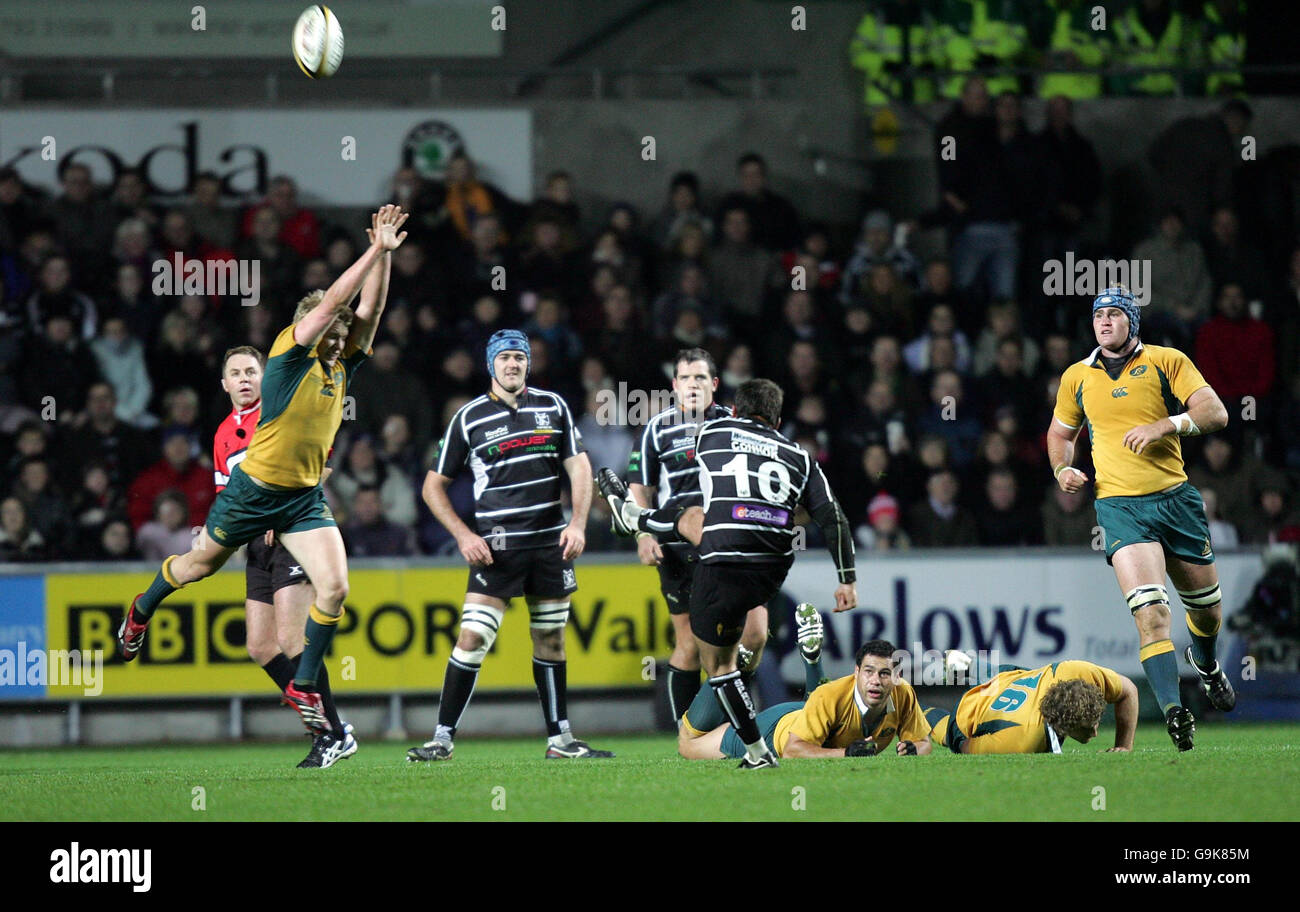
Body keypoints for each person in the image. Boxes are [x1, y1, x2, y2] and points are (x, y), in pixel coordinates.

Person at [116, 204, 408, 741]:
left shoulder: (338, 365)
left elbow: (370, 310)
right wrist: (373, 250)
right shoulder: (287, 354)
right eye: (332, 330)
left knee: (336, 589)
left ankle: (303, 688)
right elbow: (339, 301)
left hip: (301, 501)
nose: (341, 339)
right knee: (199, 567)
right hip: (254, 495)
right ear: (309, 328)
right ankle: (142, 607)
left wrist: (385, 258)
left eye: (344, 335)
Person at [599, 378, 858, 769]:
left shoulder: (715, 430)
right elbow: (833, 517)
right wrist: (847, 579)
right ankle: (634, 519)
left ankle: (757, 752)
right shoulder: (799, 456)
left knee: (718, 663)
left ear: (734, 411)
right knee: (749, 636)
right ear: (778, 419)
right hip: (770, 566)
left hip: (723, 562)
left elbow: (681, 459)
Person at [408, 329, 612, 762]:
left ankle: (560, 740)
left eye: (520, 357)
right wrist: (464, 535)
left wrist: (577, 524)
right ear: (491, 365)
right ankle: (441, 738)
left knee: (551, 642)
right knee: (473, 637)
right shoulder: (469, 417)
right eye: (505, 358)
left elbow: (579, 467)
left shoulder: (552, 406)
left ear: (528, 364)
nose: (513, 364)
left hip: (549, 545)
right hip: (497, 549)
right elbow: (431, 487)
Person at [1046, 285, 1234, 752]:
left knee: (1206, 612)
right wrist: (1063, 467)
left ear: (1132, 320)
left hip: (1176, 502)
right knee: (1152, 615)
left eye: (1113, 314)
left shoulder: (1168, 360)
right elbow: (1060, 432)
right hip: (1120, 508)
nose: (1104, 322)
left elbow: (1216, 413)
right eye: (1097, 316)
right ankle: (1175, 711)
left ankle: (1207, 666)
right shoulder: (1077, 376)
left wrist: (1168, 424)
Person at [213, 344, 355, 768]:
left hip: (293, 530)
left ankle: (328, 734)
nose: (243, 379)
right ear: (224, 384)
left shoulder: (282, 411)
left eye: (251, 371)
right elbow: (226, 492)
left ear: (265, 376)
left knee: (293, 640)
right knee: (259, 646)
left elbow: (321, 463)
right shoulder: (222, 433)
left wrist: (280, 507)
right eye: (235, 372)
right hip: (256, 542)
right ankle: (334, 727)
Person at [625, 348, 769, 723]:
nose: (693, 385)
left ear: (715, 385)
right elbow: (639, 488)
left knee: (753, 634)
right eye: (686, 378)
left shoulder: (736, 423)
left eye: (701, 378)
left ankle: (727, 708)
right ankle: (687, 734)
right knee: (688, 644)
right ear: (674, 385)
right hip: (677, 547)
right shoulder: (656, 429)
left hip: (731, 543)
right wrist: (643, 535)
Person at [679, 624, 932, 761]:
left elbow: (923, 743)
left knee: (821, 706)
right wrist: (846, 753)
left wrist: (913, 750)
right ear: (856, 672)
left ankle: (810, 661)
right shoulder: (832, 696)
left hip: (809, 713)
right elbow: (791, 751)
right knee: (688, 743)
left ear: (895, 677)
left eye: (884, 674)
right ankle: (731, 667)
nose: (876, 681)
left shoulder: (902, 694)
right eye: (869, 672)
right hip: (774, 731)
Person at [926, 655, 1139, 754]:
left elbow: (1129, 690)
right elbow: (966, 749)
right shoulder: (1024, 739)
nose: (1095, 733)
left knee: (1012, 673)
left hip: (1010, 676)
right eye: (1085, 727)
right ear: (1061, 725)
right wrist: (955, 738)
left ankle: (967, 664)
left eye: (1095, 721)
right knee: (949, 734)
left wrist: (1123, 746)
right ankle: (919, 710)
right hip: (971, 709)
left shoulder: (1077, 672)